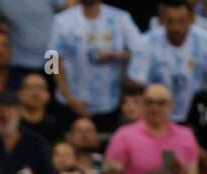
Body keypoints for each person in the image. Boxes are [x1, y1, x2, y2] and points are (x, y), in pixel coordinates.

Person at [103, 85, 200, 174]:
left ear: (171, 106)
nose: (155, 108)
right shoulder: (123, 136)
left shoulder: (186, 135)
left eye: (161, 103)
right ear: (142, 105)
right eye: (150, 102)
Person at [49, 0, 140, 133]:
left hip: (110, 104)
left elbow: (142, 52)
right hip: (70, 103)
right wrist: (69, 98)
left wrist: (115, 55)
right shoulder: (62, 21)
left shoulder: (120, 18)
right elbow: (51, 60)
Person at [127, 0, 207, 123]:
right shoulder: (146, 42)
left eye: (181, 20)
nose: (176, 27)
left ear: (192, 19)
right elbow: (136, 83)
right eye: (170, 21)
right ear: (162, 20)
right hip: (156, 114)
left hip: (197, 115)